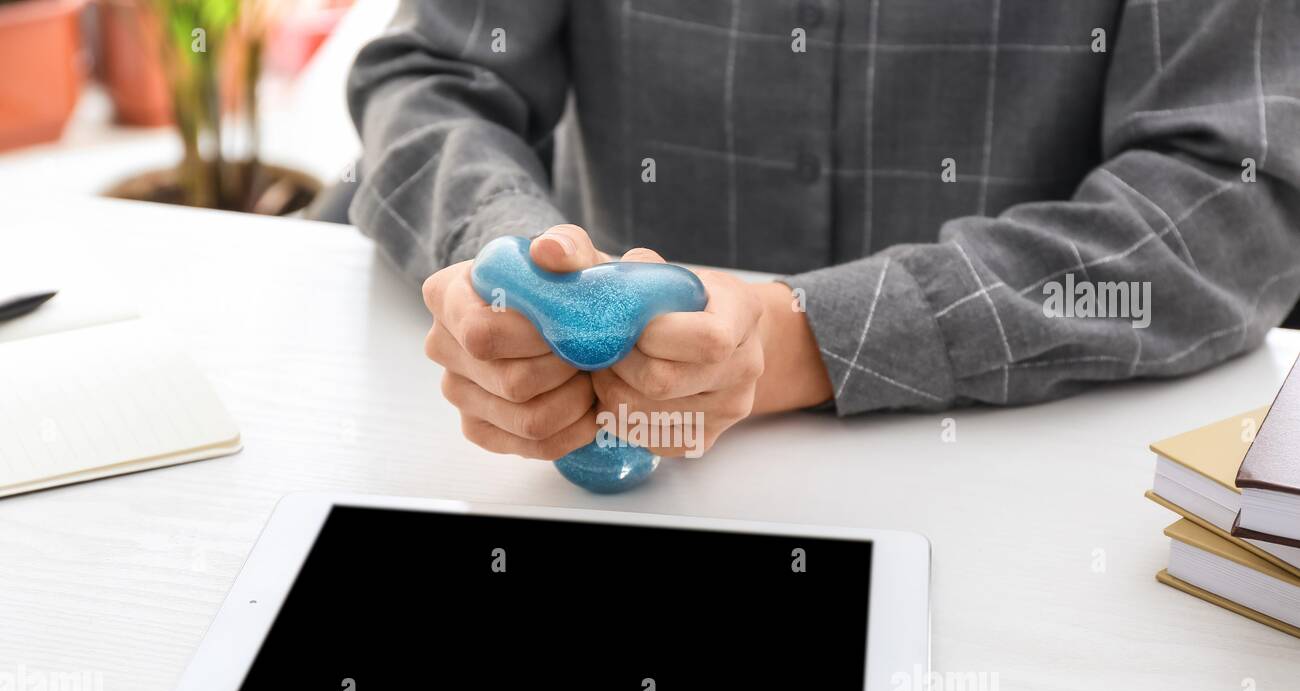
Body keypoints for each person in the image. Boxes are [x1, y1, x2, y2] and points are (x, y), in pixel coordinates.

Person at [341, 0, 1300, 461]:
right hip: (609, 478)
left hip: (1009, 474)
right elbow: (434, 74)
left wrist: (808, 333)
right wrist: (514, 265)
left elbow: (1231, 198)